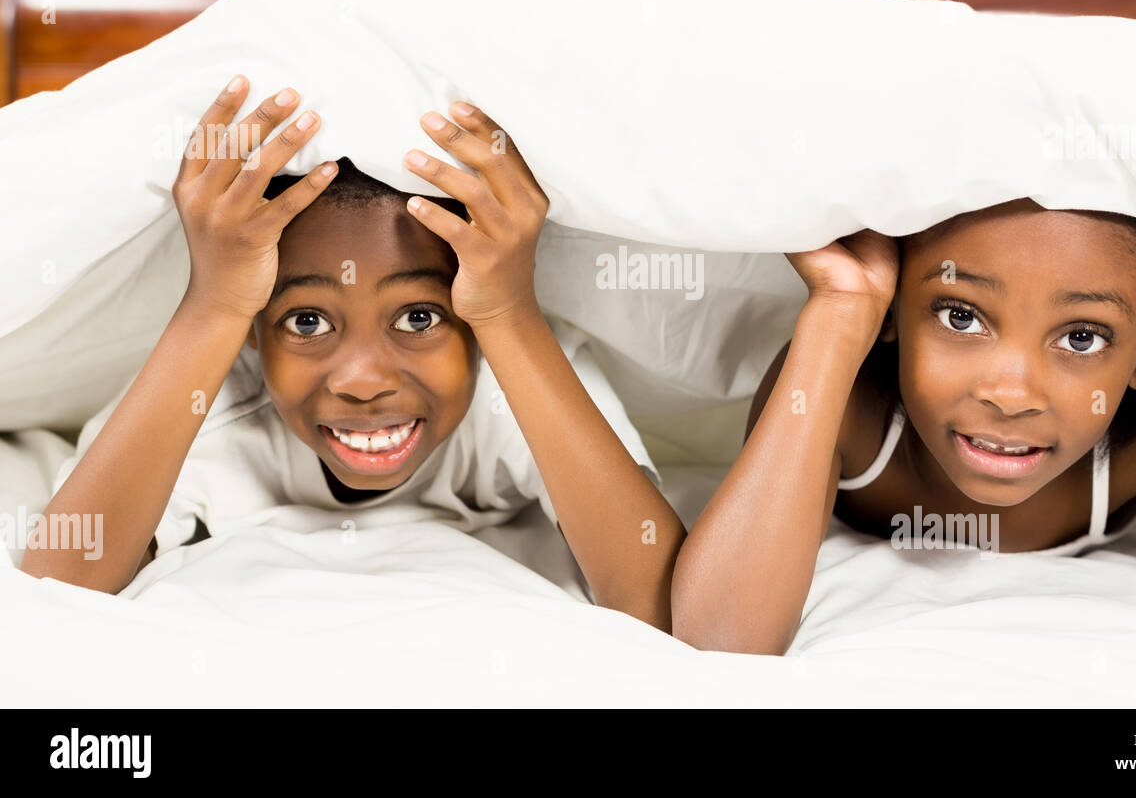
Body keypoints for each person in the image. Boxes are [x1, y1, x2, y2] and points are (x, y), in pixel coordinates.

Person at [23, 76, 684, 633]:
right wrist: (212, 307)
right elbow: (56, 585)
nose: (363, 381)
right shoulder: (213, 406)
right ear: (252, 331)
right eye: (306, 321)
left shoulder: (515, 386)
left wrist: (510, 312)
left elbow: (654, 601)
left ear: (477, 317)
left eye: (419, 317)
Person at [672, 197, 1136, 653]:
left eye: (1081, 336)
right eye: (961, 317)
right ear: (894, 306)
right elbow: (723, 638)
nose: (1011, 394)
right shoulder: (840, 401)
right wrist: (840, 311)